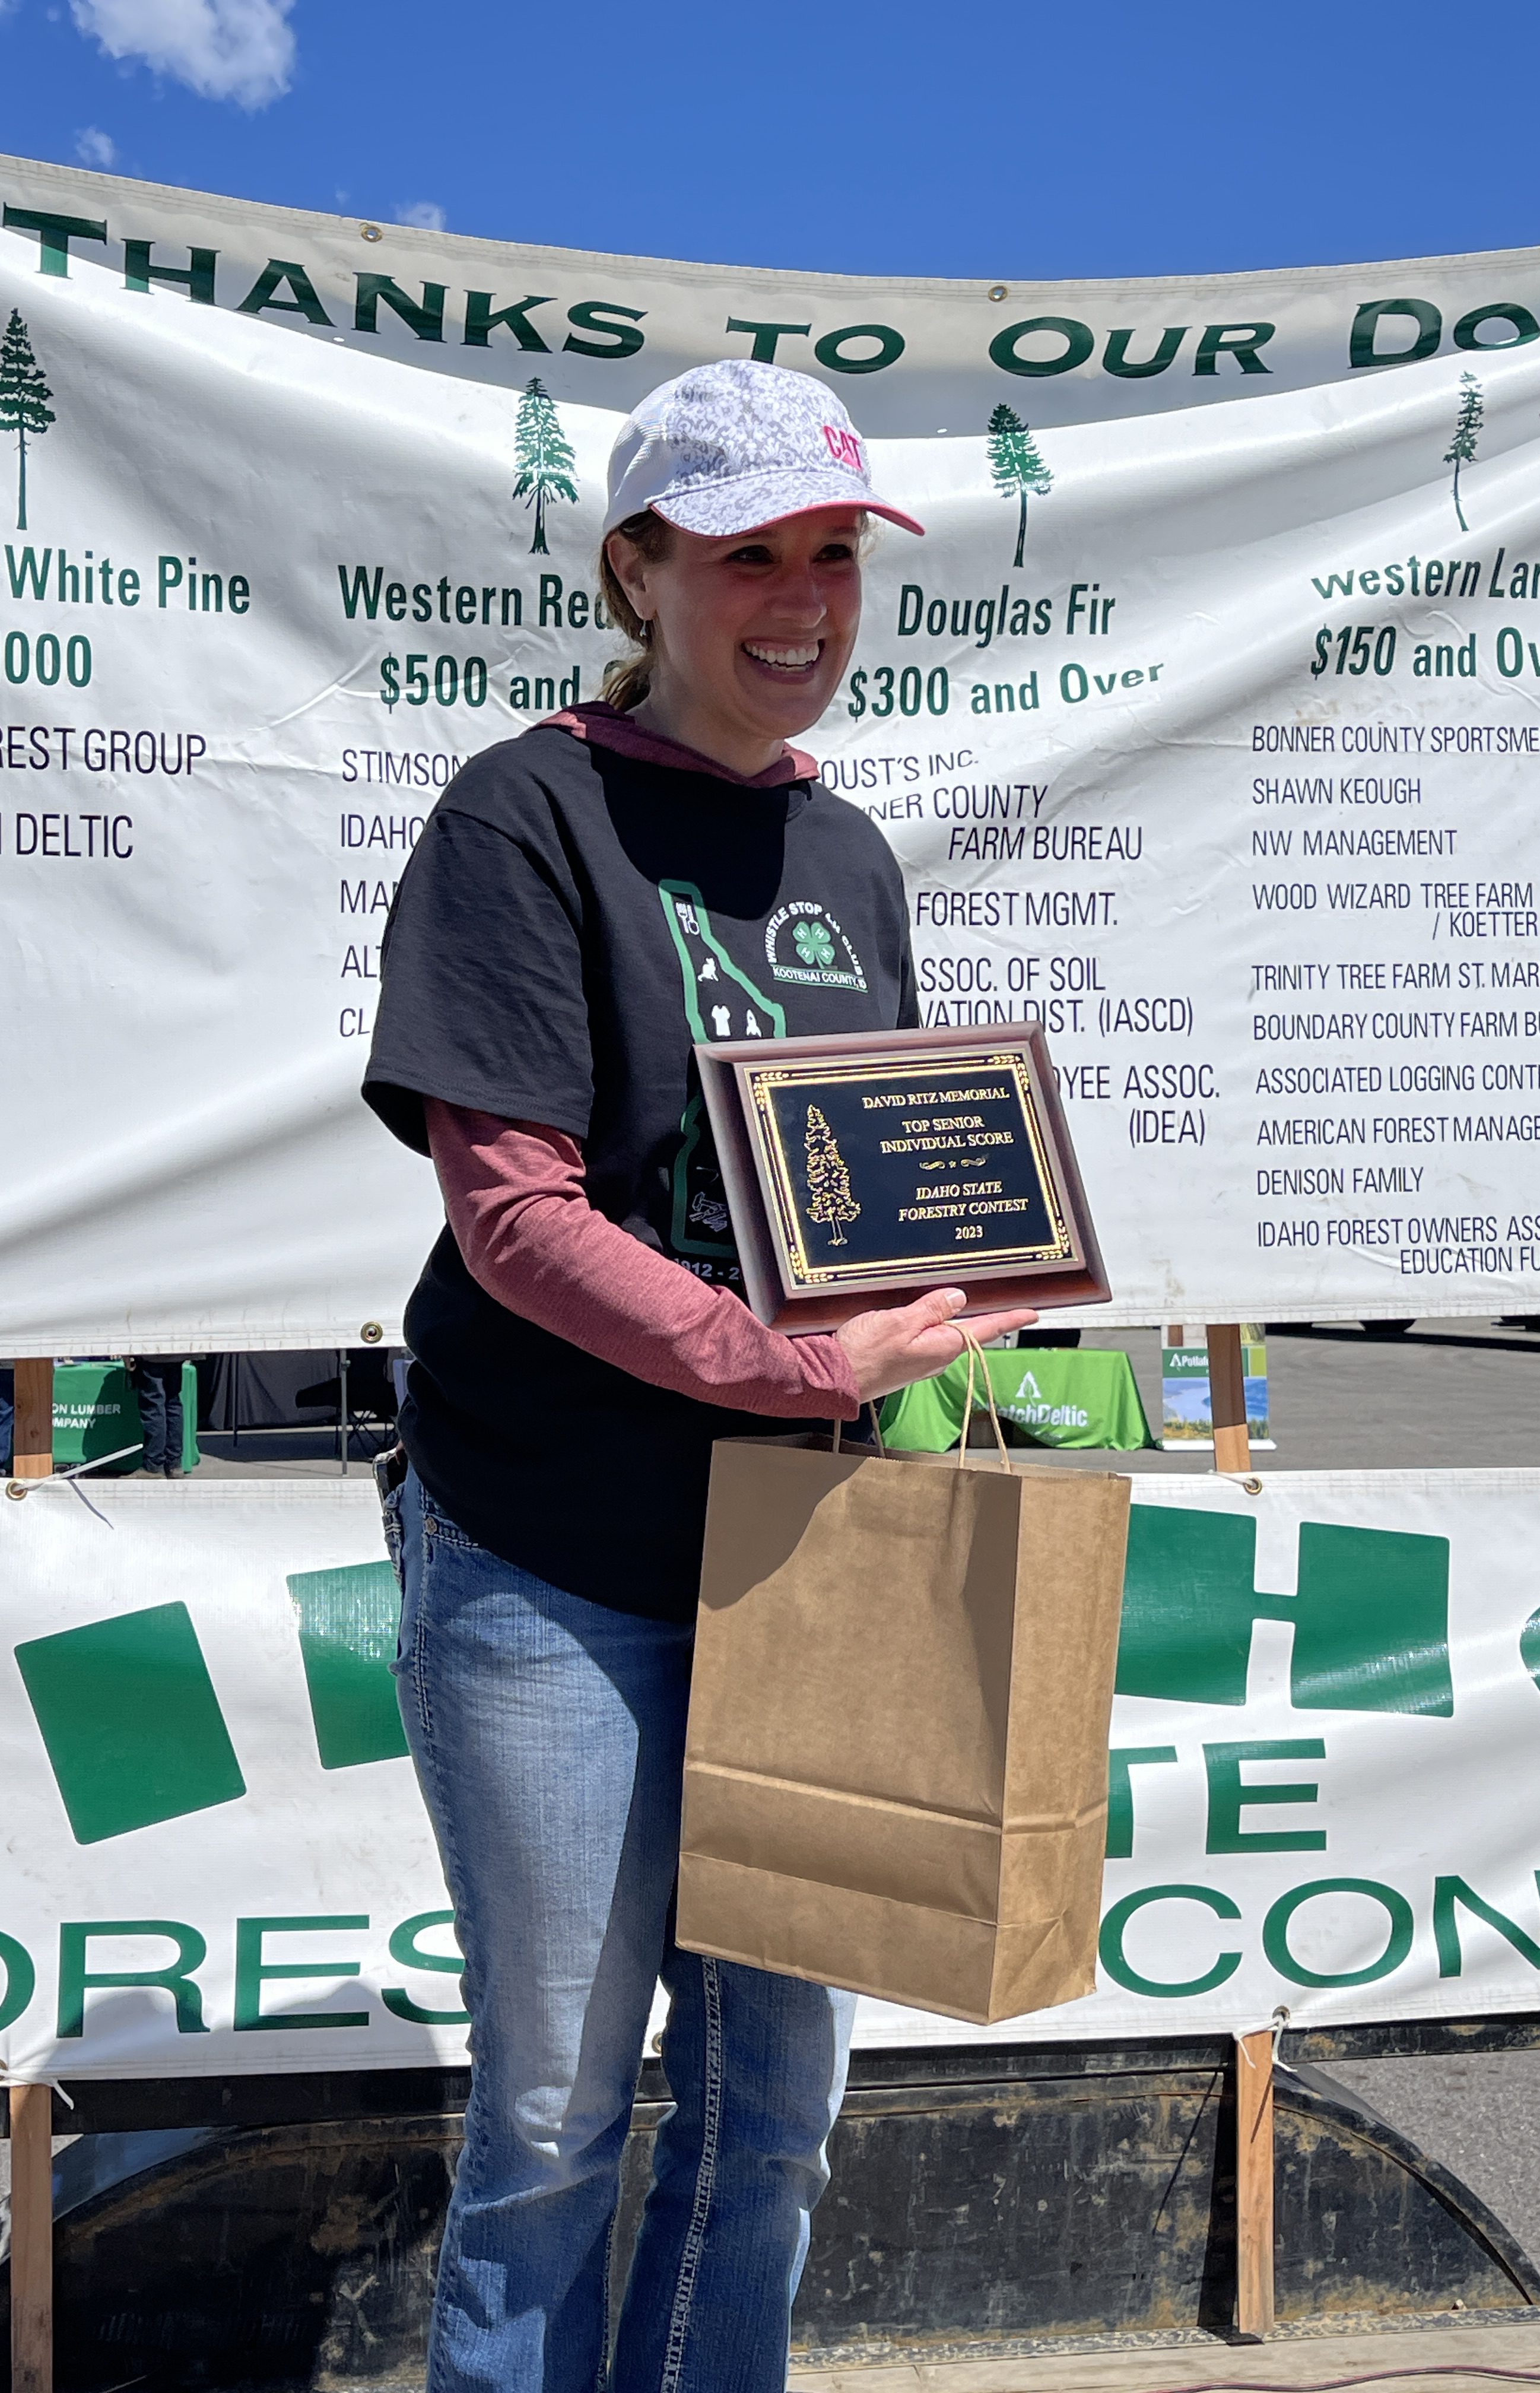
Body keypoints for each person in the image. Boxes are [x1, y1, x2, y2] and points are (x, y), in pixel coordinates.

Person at [363, 358, 1036, 2393]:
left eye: (833, 553)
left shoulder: (851, 859)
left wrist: (960, 1294)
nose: (802, 600)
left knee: (774, 2123)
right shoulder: (524, 815)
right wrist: (772, 1356)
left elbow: (860, 1192)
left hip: (798, 1567)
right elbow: (514, 1219)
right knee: (553, 2125)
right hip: (550, 1562)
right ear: (638, 570)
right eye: (751, 556)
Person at [128, 1354, 187, 1477]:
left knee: (153, 1406)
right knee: (173, 1403)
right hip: (176, 1353)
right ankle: (174, 1464)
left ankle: (153, 1466)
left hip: (150, 1355)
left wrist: (127, 1355)